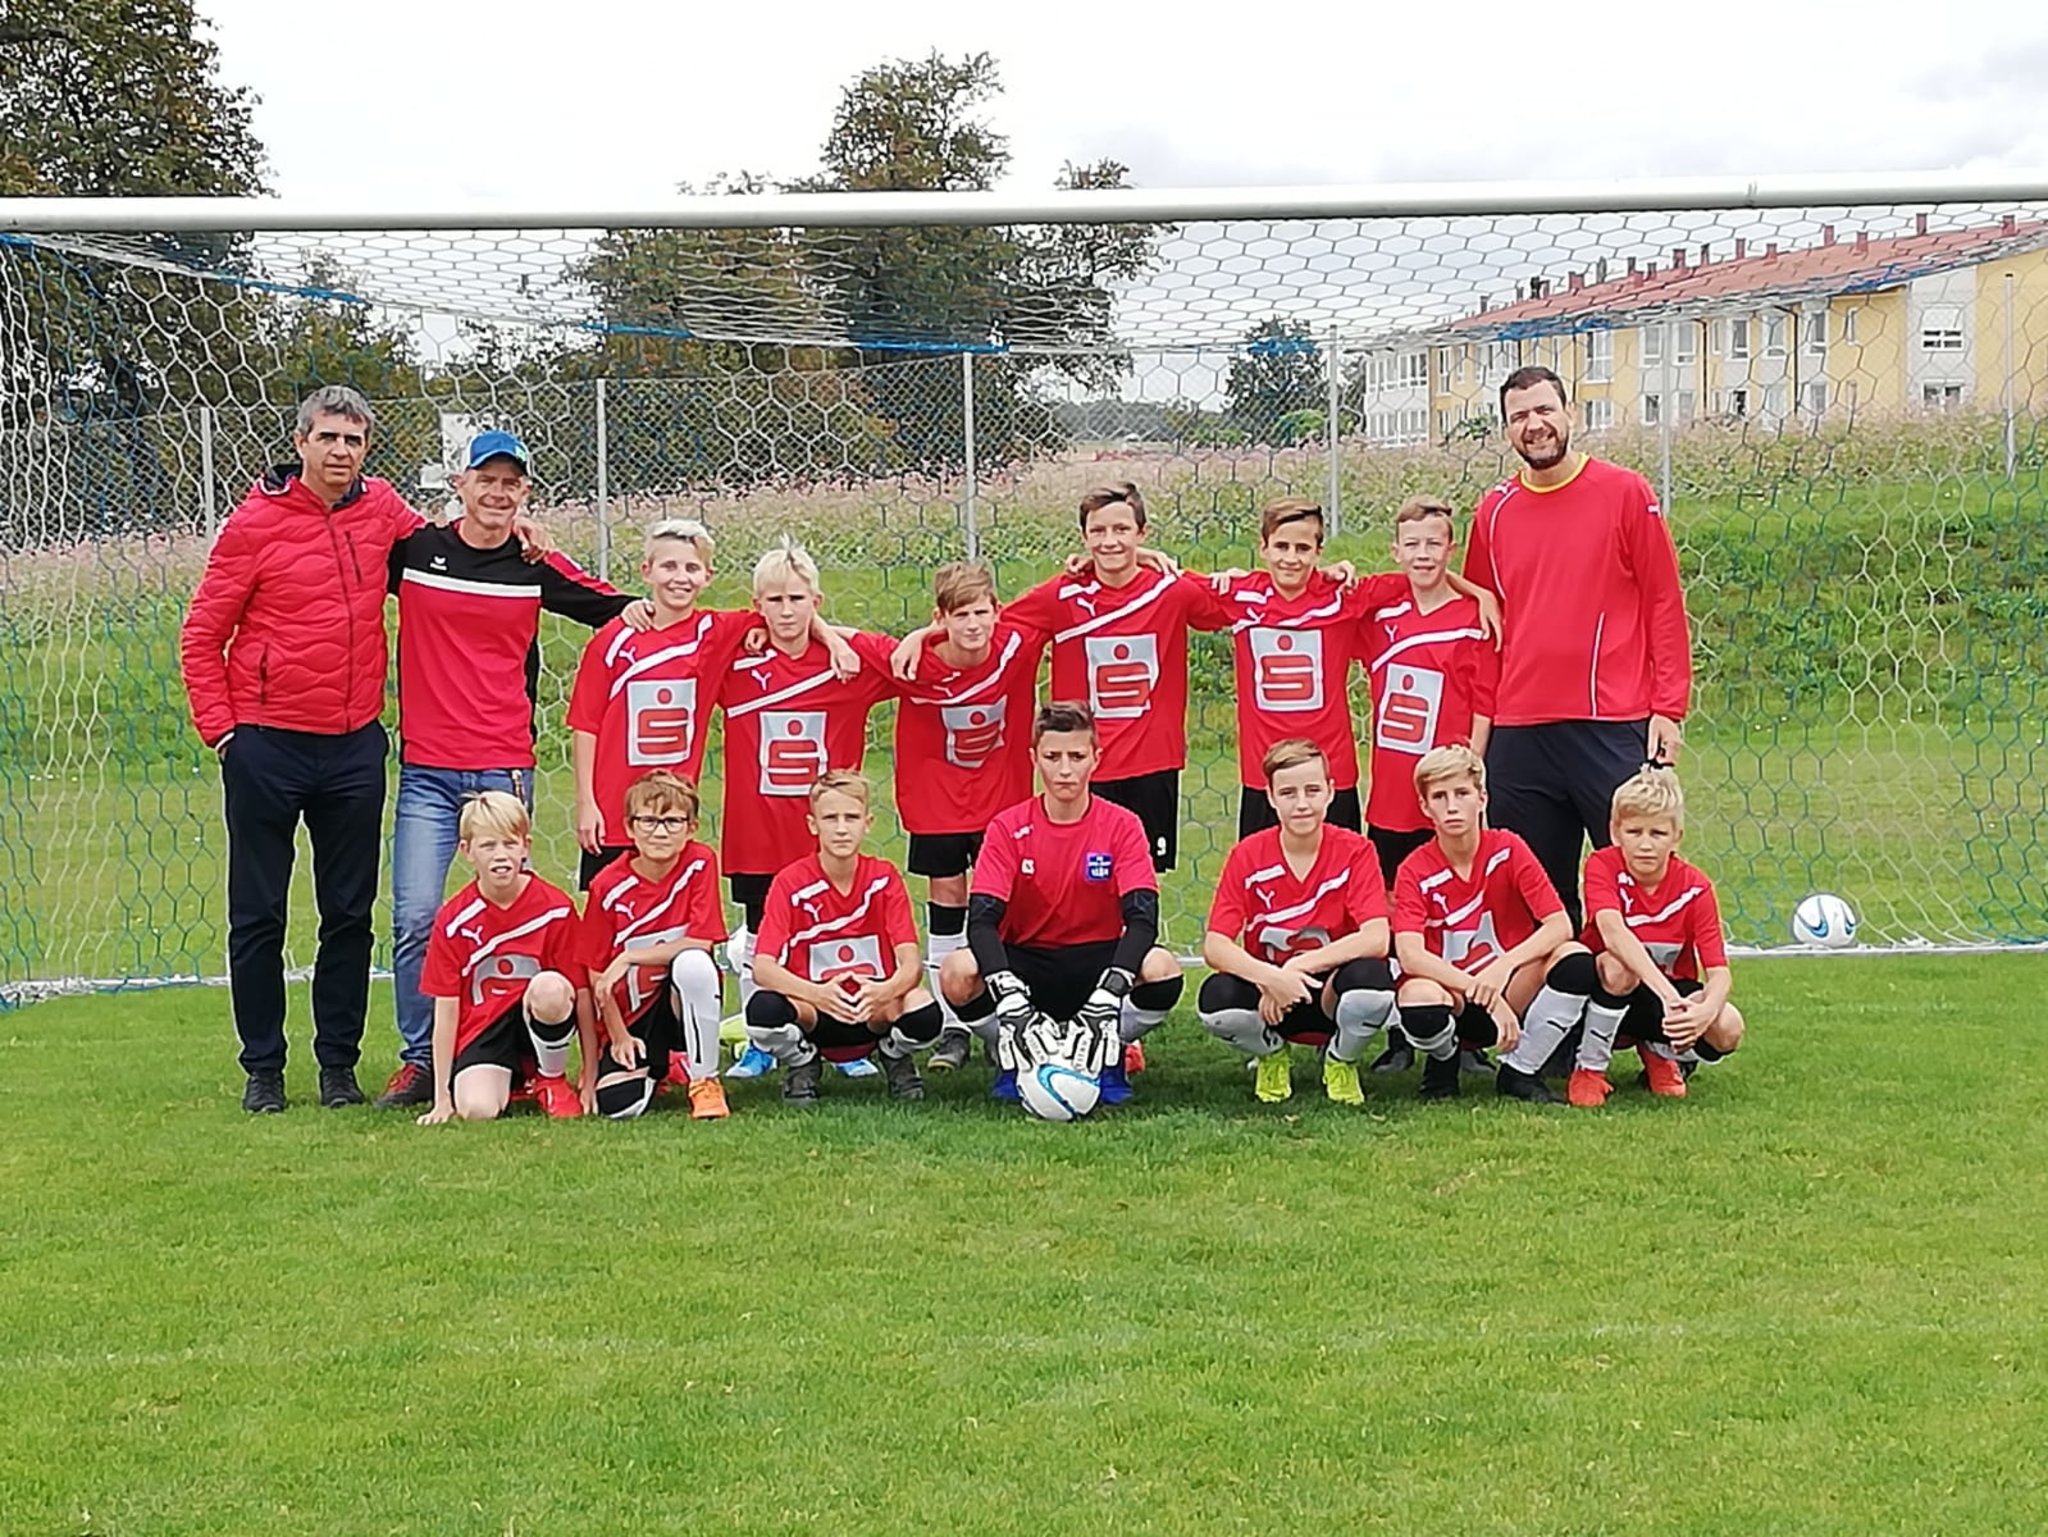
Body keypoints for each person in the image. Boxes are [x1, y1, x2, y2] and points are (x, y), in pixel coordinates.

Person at [378, 430, 639, 1110]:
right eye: (485, 479)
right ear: (459, 484)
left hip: (502, 767)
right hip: (428, 773)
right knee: (415, 917)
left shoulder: (533, 565)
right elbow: (349, 547)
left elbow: (616, 609)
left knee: (518, 915)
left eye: (511, 483)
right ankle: (420, 1061)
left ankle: (531, 1048)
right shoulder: (415, 552)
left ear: (525, 493)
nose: (498, 492)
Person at [180, 385, 423, 1113]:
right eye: (328, 437)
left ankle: (338, 1067)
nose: (340, 451)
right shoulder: (255, 525)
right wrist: (225, 733)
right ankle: (263, 1067)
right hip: (266, 744)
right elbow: (201, 636)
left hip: (352, 746)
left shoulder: (384, 511)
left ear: (365, 448)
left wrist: (514, 534)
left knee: (349, 912)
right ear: (301, 443)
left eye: (353, 439)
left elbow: (446, 551)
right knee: (259, 912)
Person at [1465, 365, 1693, 929]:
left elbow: (1664, 601)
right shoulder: (1492, 511)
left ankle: (1648, 1010)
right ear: (1506, 431)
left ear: (1570, 414)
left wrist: (1669, 707)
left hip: (1609, 722)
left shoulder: (1624, 492)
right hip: (1520, 732)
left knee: (1639, 880)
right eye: (1519, 417)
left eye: (1544, 410)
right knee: (1533, 897)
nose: (1534, 425)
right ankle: (1550, 1013)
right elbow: (1478, 622)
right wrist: (1479, 733)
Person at [1197, 496, 1497, 841]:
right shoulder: (1238, 595)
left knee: (1346, 885)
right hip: (1264, 776)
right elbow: (1163, 585)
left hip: (1333, 776)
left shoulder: (1342, 597)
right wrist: (1147, 554)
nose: (1291, 558)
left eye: (1303, 548)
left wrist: (1480, 595)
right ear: (1262, 548)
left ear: (1318, 551)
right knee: (1264, 881)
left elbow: (1421, 576)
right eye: (1281, 546)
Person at [568, 518, 843, 890]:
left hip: (675, 811)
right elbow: (586, 725)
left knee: (669, 909)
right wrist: (587, 803)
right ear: (646, 571)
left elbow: (787, 612)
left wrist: (832, 640)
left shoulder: (715, 633)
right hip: (614, 810)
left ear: (707, 576)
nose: (680, 578)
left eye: (691, 568)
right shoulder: (613, 640)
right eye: (668, 566)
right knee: (609, 913)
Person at [849, 562, 1043, 1073]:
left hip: (1003, 802)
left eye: (982, 612)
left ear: (997, 612)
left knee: (1005, 903)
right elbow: (841, 634)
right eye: (960, 616)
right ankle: (953, 1027)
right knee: (949, 899)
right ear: (942, 618)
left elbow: (1062, 600)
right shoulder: (911, 662)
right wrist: (920, 636)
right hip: (936, 803)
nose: (974, 625)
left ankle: (1009, 1015)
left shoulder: (1018, 646)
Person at [940, 702, 1185, 1106]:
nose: (1065, 769)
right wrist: (1008, 991)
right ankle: (1015, 1052)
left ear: (1095, 758)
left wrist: (1113, 987)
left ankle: (1109, 1051)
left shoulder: (1123, 824)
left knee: (1162, 968)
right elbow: (982, 921)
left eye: (1077, 756)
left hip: (1096, 964)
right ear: (1035, 759)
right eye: (1053, 757)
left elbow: (1143, 919)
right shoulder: (1007, 826)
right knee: (956, 971)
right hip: (1027, 962)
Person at [715, 539, 885, 1077]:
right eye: (773, 601)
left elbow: (910, 660)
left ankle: (846, 1042)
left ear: (816, 599)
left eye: (797, 599)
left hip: (824, 837)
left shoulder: (848, 663)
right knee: (758, 936)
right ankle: (762, 1039)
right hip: (756, 831)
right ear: (756, 604)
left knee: (830, 934)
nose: (786, 612)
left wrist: (829, 634)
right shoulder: (738, 661)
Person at [998, 485, 1224, 873]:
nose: (1110, 541)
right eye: (1098, 532)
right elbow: (987, 630)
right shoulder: (1061, 596)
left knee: (1142, 877)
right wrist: (924, 637)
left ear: (1142, 532)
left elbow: (1256, 598)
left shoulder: (1172, 590)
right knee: (1082, 873)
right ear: (1084, 537)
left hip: (1152, 761)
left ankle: (1141, 937)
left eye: (1121, 530)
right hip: (1084, 764)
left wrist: (1324, 577)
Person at [1356, 495, 1501, 1080]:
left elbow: (1485, 708)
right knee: (1395, 913)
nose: (1422, 554)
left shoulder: (1475, 621)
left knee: (1462, 912)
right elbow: (1327, 589)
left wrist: (1471, 778)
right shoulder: (1381, 614)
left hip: (1449, 792)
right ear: (1396, 551)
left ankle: (1468, 1035)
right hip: (1391, 793)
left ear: (1451, 548)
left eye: (1434, 543)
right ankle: (1401, 1030)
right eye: (1411, 544)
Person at [1388, 745, 1599, 1104]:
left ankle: (1521, 1070)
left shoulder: (1508, 848)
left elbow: (1559, 923)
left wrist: (1503, 967)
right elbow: (1410, 955)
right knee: (1417, 994)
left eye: (1462, 793)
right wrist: (1479, 990)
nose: (1452, 806)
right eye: (1439, 796)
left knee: (1574, 957)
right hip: (1451, 995)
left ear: (1482, 797)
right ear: (1425, 807)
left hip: (1511, 987)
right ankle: (1442, 1065)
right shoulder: (1414, 868)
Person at [1197, 739, 1397, 1105]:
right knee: (1216, 1000)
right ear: (1271, 797)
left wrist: (1298, 965)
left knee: (1374, 982)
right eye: (1288, 792)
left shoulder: (1356, 850)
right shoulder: (1247, 855)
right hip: (1270, 999)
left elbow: (1377, 937)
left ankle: (1341, 1060)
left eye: (1312, 790)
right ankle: (1271, 1053)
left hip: (1332, 994)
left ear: (1330, 793)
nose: (1302, 803)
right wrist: (1271, 978)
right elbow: (1215, 944)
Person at [743, 772, 944, 1103]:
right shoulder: (790, 883)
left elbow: (911, 964)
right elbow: (763, 967)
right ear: (812, 824)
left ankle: (894, 1054)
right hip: (814, 1010)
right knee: (762, 1012)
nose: (840, 828)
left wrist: (883, 992)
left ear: (868, 823)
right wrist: (818, 995)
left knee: (925, 1012)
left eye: (851, 818)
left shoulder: (884, 878)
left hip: (873, 1010)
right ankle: (802, 1062)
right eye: (830, 818)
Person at [1569, 767, 1745, 1105]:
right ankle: (1589, 1068)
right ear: (1615, 831)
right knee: (1619, 967)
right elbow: (1613, 932)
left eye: (1658, 833)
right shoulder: (1602, 865)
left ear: (1677, 836)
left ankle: (1662, 1054)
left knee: (1729, 1026)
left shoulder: (1696, 886)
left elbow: (1719, 971)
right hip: (1607, 995)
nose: (1646, 844)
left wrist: (1704, 1011)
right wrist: (1667, 996)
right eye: (1634, 831)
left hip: (1668, 999)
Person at [415, 792, 592, 1124]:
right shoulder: (454, 920)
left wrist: (590, 1075)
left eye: (510, 844)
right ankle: (513, 1081)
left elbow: (581, 994)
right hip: (485, 1028)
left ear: (526, 846)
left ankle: (551, 1079)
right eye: (488, 846)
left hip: (536, 1018)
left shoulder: (555, 908)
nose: (501, 856)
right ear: (467, 851)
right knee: (477, 1111)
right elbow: (447, 1009)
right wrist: (441, 1097)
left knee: (550, 987)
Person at [580, 770, 730, 1120]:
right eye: (648, 820)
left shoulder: (699, 862)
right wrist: (617, 1035)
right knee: (619, 1107)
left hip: (680, 1003)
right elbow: (595, 973)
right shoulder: (606, 885)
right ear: (629, 828)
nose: (660, 831)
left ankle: (704, 1079)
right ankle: (658, 1067)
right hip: (634, 1014)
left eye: (672, 821)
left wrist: (632, 956)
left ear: (691, 827)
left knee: (693, 962)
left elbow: (702, 940)